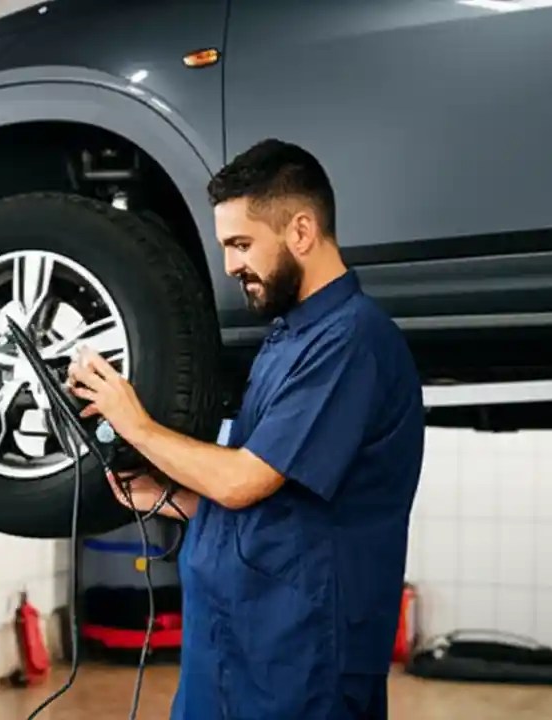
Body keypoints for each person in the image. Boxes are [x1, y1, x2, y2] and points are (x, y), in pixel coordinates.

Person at [66, 138, 425, 719]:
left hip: (299, 657)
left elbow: (243, 482)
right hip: (231, 644)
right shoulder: (290, 340)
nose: (231, 265)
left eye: (241, 244)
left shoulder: (351, 341)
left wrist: (136, 424)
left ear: (301, 232)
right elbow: (268, 503)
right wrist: (166, 496)